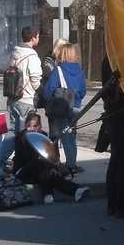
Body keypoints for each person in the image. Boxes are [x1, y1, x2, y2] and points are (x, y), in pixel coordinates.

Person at [11, 115, 89, 204]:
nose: (31, 129)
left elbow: (50, 154)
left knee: (47, 172)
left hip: (39, 171)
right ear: (25, 126)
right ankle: (70, 190)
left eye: (35, 126)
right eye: (28, 126)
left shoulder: (43, 135)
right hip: (23, 170)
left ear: (39, 126)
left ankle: (53, 194)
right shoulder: (21, 137)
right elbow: (27, 157)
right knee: (42, 165)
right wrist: (48, 166)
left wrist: (53, 168)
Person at [41, 43, 86, 174]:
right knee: (71, 136)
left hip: (62, 108)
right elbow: (83, 91)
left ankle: (65, 165)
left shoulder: (58, 70)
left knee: (62, 136)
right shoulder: (80, 71)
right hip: (76, 107)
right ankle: (73, 163)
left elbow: (48, 91)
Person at [99, 57, 124, 218]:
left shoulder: (110, 58)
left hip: (115, 113)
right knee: (122, 161)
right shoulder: (116, 58)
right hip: (119, 114)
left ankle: (114, 203)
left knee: (117, 160)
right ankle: (121, 203)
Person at [7, 26, 42, 133]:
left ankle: (7, 149)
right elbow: (35, 79)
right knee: (25, 134)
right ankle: (20, 150)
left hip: (13, 98)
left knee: (13, 132)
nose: (38, 39)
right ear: (33, 38)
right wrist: (41, 92)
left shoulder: (14, 53)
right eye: (38, 37)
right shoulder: (32, 57)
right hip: (26, 98)